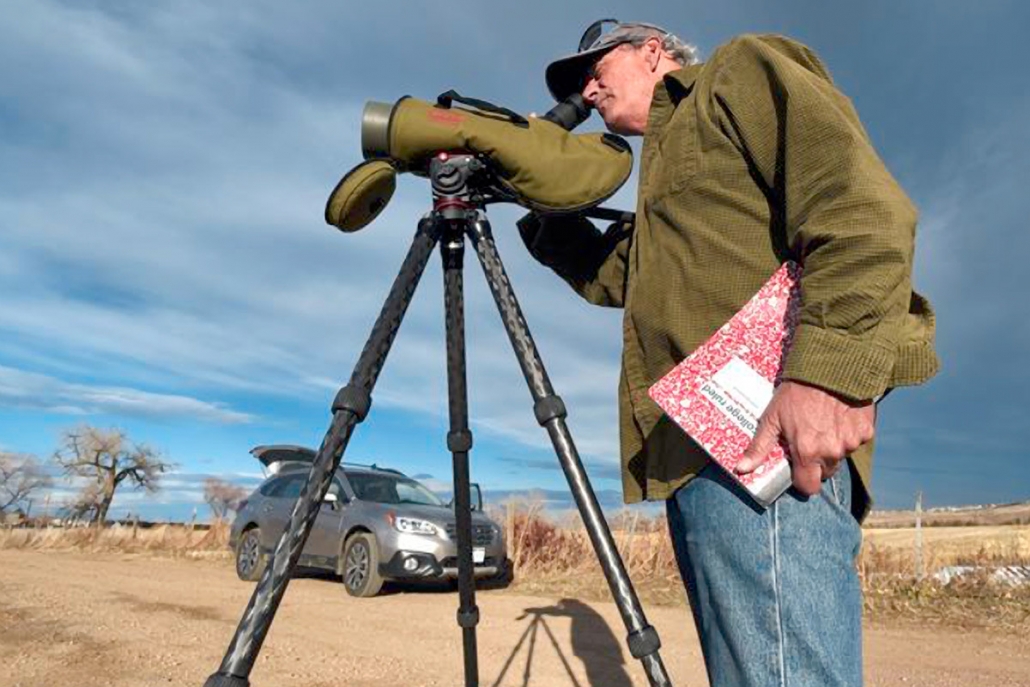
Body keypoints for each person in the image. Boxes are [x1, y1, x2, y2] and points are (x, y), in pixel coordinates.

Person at [519, 19, 940, 687]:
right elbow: (620, 279)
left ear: (652, 51)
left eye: (595, 68)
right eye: (577, 84)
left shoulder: (735, 73)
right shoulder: (663, 184)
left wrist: (827, 376)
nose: (587, 87)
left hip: (767, 436)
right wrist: (536, 189)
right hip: (701, 453)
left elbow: (858, 205)